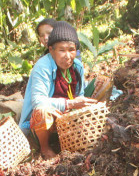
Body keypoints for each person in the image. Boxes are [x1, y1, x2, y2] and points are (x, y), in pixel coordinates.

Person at [18, 21, 100, 158]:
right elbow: (38, 102)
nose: (67, 56)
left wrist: (77, 104)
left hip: (66, 117)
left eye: (71, 50)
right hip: (43, 124)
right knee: (42, 111)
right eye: (62, 50)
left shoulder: (77, 66)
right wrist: (69, 104)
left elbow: (78, 94)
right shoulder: (42, 67)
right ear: (51, 50)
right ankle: (44, 148)